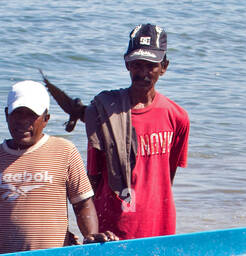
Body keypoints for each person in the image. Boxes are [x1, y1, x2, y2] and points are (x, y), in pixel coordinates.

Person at [47, 25, 190, 240]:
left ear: (164, 67)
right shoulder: (106, 113)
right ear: (127, 64)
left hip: (160, 226)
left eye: (151, 65)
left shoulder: (177, 117)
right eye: (137, 65)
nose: (143, 72)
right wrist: (90, 232)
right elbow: (92, 179)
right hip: (113, 228)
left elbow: (167, 178)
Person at [0, 82, 115, 254]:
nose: (23, 122)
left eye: (31, 116)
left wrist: (91, 235)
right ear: (6, 114)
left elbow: (82, 204)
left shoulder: (65, 151)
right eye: (17, 114)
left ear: (45, 119)